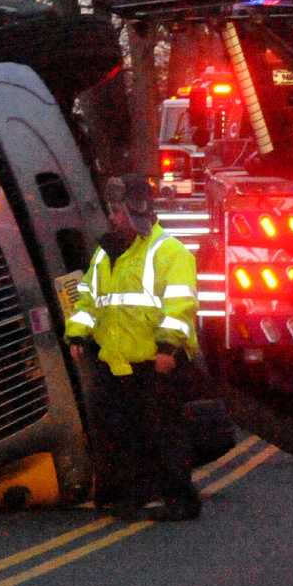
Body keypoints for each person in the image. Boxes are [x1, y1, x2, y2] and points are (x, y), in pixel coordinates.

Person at [64, 173, 202, 521]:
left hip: (155, 362)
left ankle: (180, 499)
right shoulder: (105, 253)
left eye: (119, 211)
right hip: (117, 362)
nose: (113, 218)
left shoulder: (170, 252)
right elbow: (88, 299)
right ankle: (136, 495)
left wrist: (167, 349)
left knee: (165, 433)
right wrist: (77, 334)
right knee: (125, 434)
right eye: (112, 210)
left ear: (137, 211)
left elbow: (180, 307)